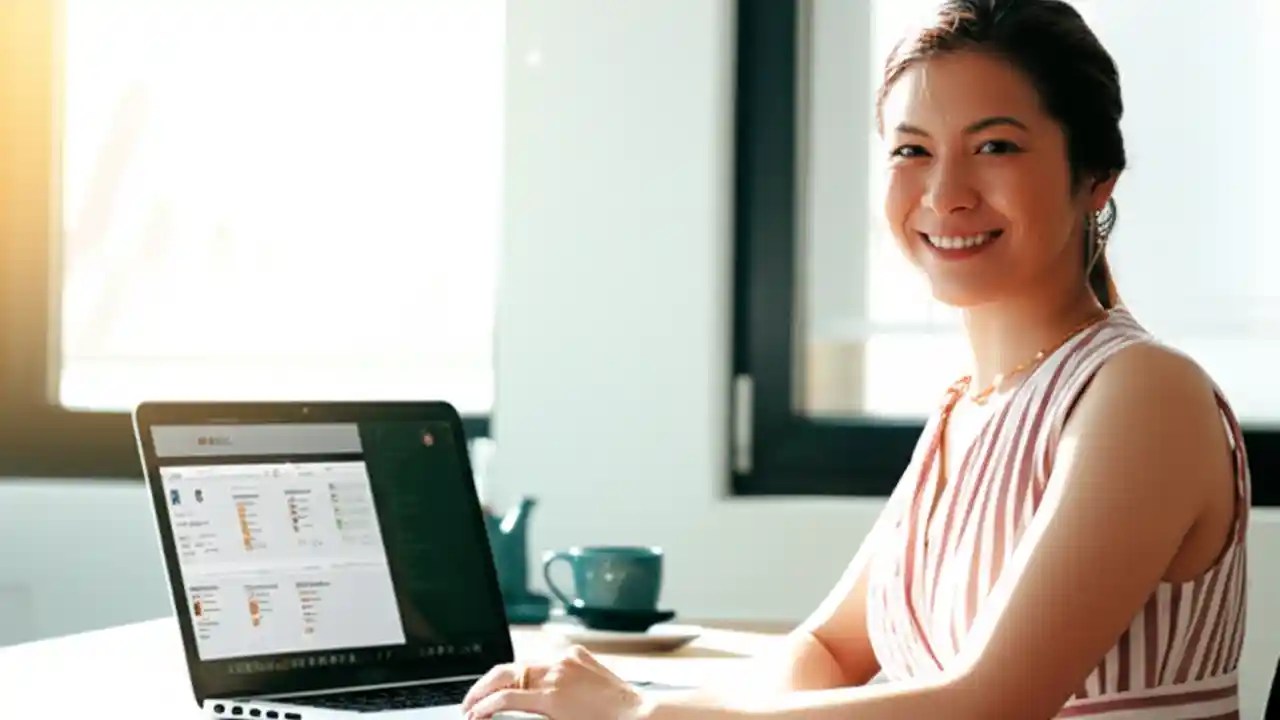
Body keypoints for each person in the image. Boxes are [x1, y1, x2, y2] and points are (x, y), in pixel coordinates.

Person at [460, 1, 1251, 717]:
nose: (944, 192)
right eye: (912, 149)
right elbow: (830, 650)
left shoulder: (1143, 394)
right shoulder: (968, 407)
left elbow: (993, 703)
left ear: (1096, 177)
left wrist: (644, 719)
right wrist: (635, 704)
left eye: (996, 146)